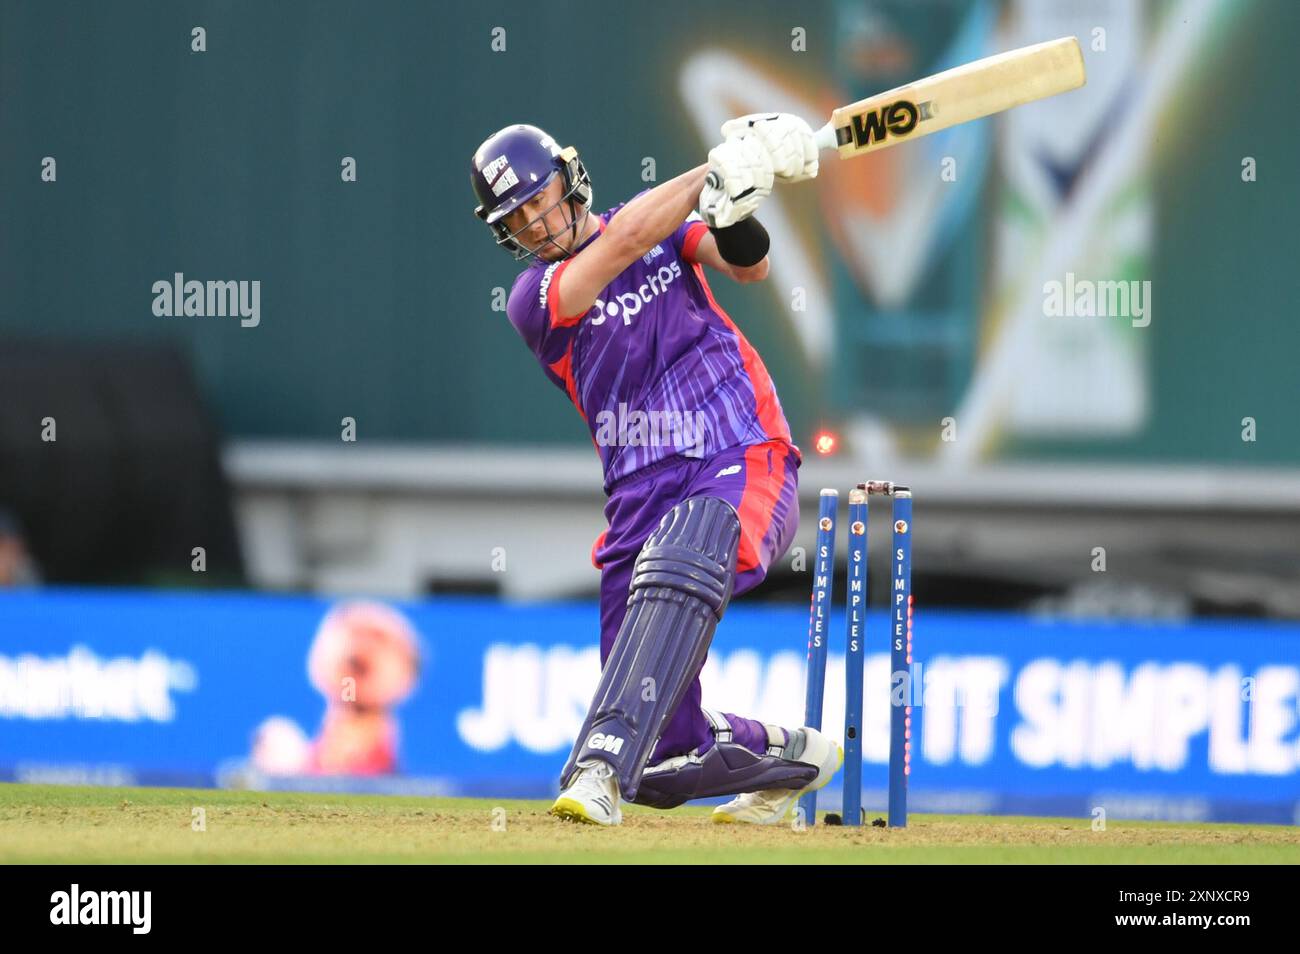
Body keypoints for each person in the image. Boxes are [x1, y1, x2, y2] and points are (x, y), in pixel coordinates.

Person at [470, 117, 842, 826]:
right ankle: (797, 756)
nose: (536, 222)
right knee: (666, 759)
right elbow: (628, 241)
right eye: (515, 217)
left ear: (569, 178)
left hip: (738, 450)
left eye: (539, 198)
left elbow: (748, 262)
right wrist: (718, 166)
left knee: (691, 544)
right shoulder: (535, 299)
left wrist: (739, 196)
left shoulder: (662, 225)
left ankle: (598, 770)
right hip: (638, 499)